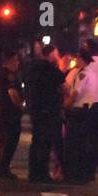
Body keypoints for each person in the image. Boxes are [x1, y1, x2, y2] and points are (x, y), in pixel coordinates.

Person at [22, 38, 65, 183]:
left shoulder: (33, 68)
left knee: (36, 141)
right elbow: (64, 87)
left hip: (36, 109)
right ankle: (42, 173)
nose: (58, 56)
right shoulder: (51, 69)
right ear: (51, 54)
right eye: (56, 54)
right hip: (48, 110)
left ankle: (34, 172)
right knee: (45, 142)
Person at [0, 48, 25, 180]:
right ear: (9, 61)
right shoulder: (9, 75)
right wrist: (22, 107)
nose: (18, 63)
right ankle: (3, 168)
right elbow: (12, 93)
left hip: (0, 111)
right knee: (11, 141)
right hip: (10, 112)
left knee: (4, 140)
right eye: (15, 60)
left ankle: (3, 168)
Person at [63, 43, 97, 182]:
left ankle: (75, 175)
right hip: (89, 111)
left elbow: (76, 93)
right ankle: (84, 174)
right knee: (85, 143)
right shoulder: (89, 73)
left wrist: (65, 105)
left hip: (79, 112)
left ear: (82, 58)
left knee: (73, 143)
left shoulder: (83, 74)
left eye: (77, 58)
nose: (75, 61)